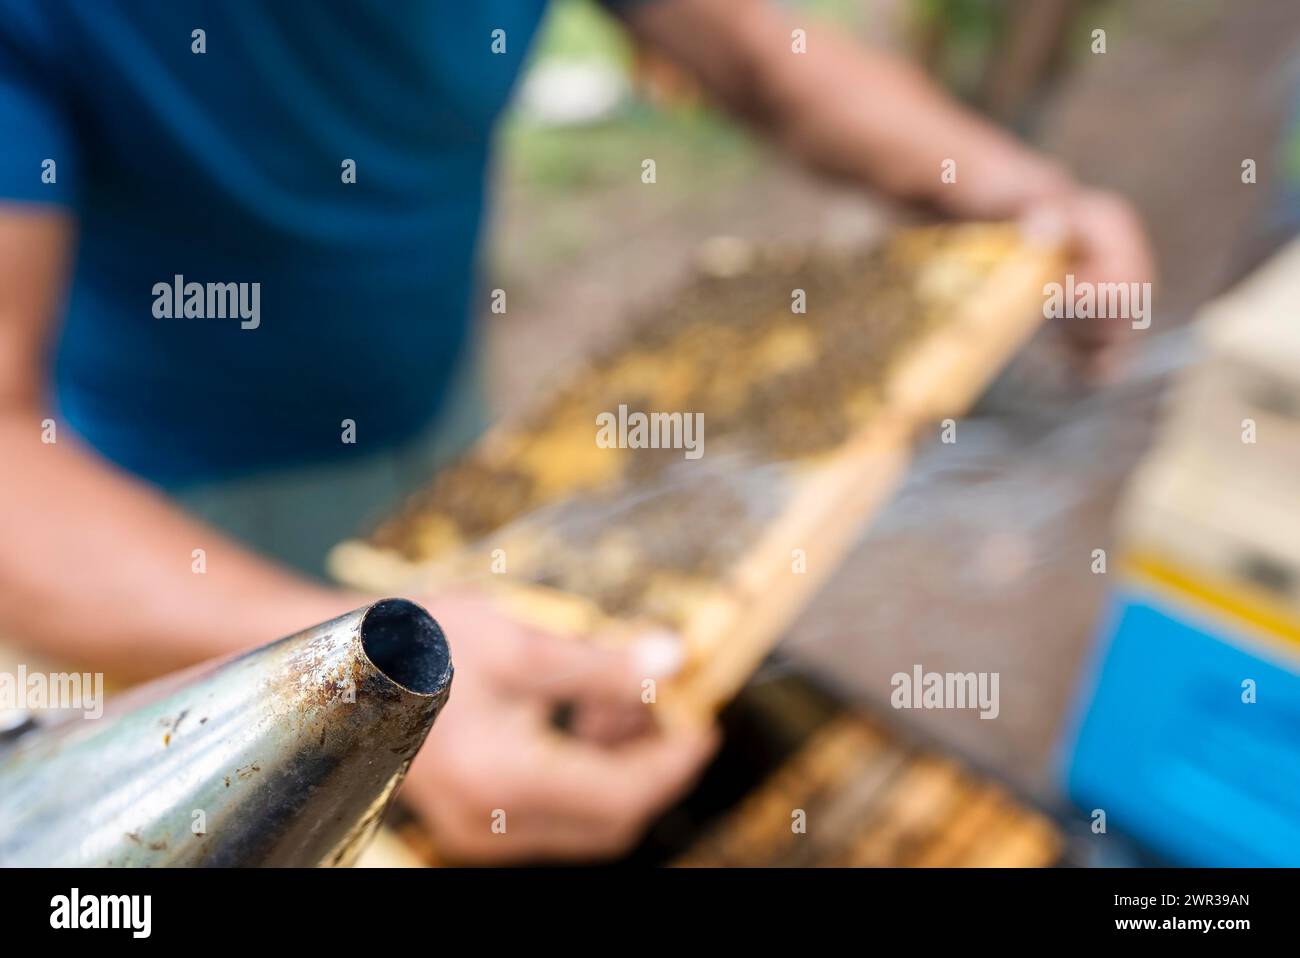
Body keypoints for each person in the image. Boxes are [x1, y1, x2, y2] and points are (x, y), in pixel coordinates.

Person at [0, 0, 1152, 863]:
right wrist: (374, 687)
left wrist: (1012, 194)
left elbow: (748, 48)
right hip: (151, 518)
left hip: (445, 427)